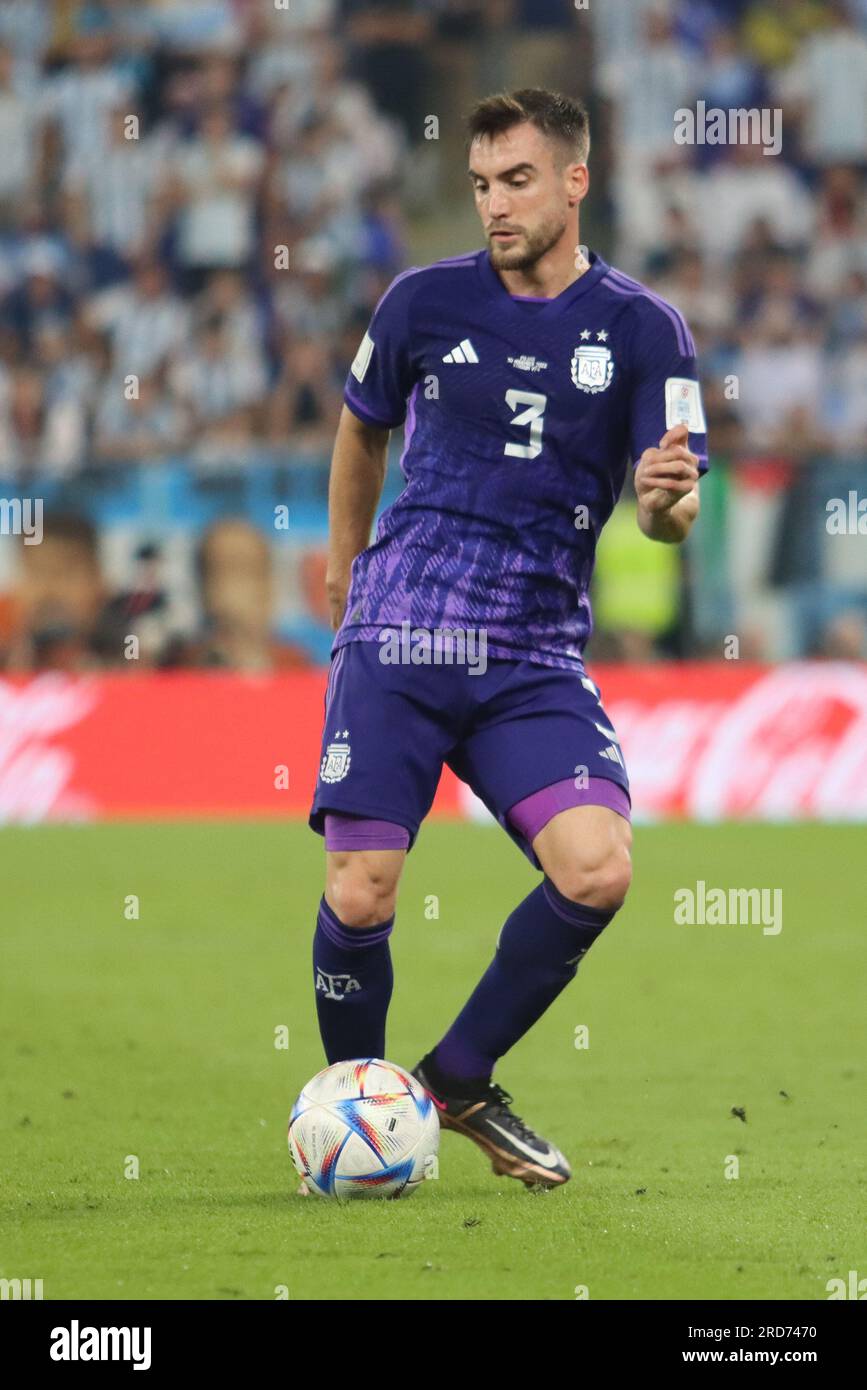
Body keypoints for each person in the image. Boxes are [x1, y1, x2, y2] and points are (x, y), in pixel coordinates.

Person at [308, 89, 707, 1189]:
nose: (494, 203)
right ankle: (361, 1117)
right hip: (401, 629)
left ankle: (456, 1080)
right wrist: (346, 571)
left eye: (518, 179)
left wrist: (670, 499)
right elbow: (360, 426)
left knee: (598, 869)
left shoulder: (644, 329)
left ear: (576, 181)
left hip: (531, 653)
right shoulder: (422, 301)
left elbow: (671, 515)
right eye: (482, 183)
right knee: (361, 893)